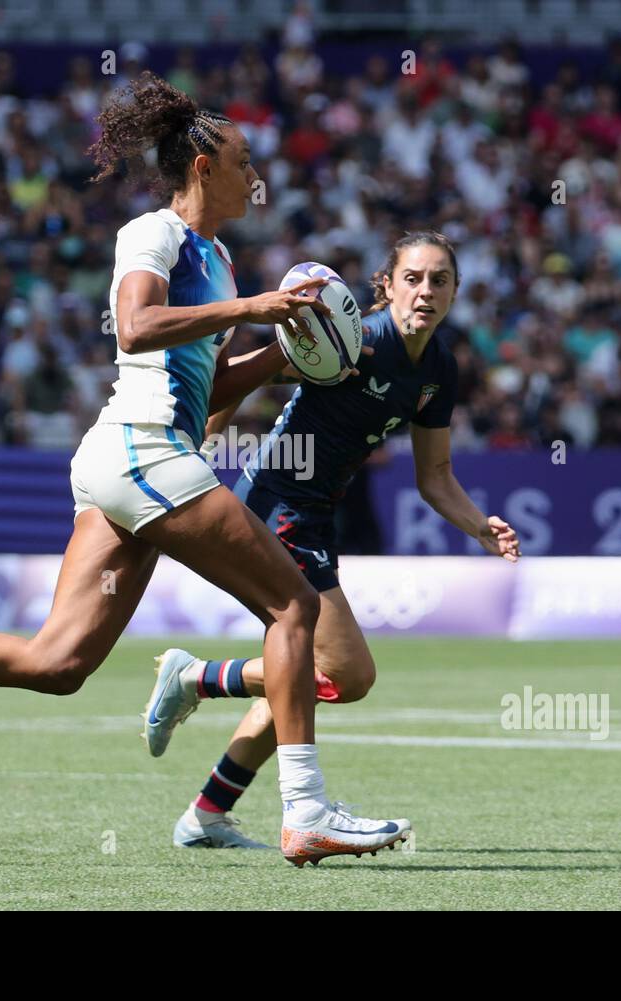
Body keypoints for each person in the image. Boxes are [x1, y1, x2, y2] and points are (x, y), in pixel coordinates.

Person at [0, 71, 409, 866]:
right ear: (204, 165)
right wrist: (249, 315)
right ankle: (306, 811)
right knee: (292, 607)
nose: (258, 176)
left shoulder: (215, 258)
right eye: (246, 160)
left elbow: (207, 384)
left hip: (133, 458)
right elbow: (136, 326)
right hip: (141, 448)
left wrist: (286, 355)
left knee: (58, 663)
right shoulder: (156, 234)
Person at [141, 232, 521, 848]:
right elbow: (232, 382)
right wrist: (197, 446)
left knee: (303, 678)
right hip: (277, 507)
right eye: (413, 278)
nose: (426, 290)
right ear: (388, 284)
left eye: (440, 280)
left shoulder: (440, 369)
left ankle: (206, 814)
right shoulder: (355, 338)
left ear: (455, 291)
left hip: (317, 516)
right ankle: (199, 678)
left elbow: (436, 476)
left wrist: (479, 525)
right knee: (347, 676)